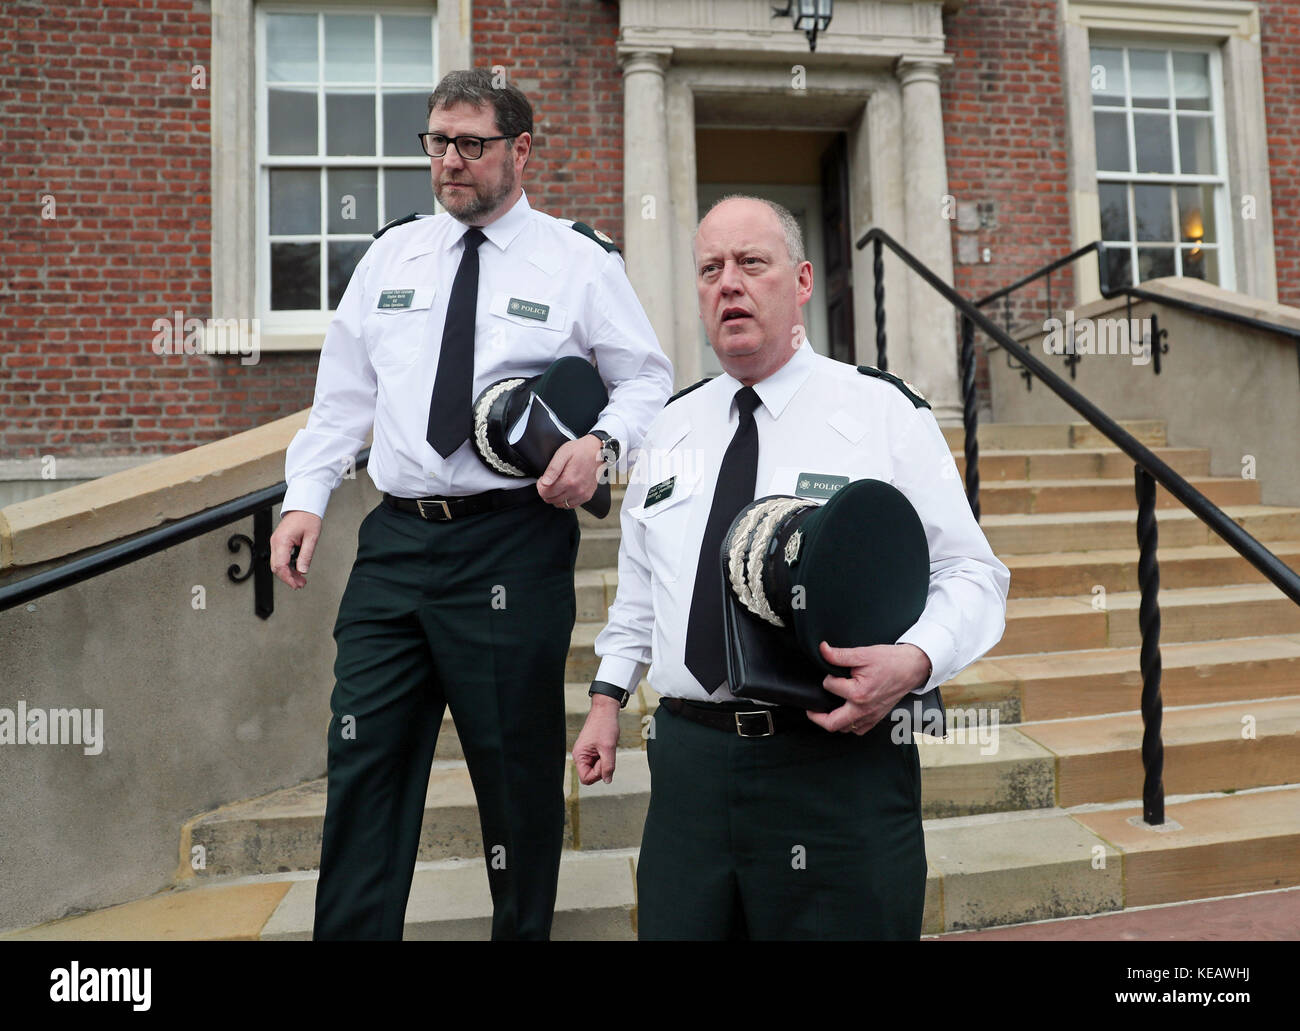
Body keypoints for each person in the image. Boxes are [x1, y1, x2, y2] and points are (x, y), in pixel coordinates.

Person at [270, 68, 673, 941]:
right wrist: (307, 496)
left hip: (512, 545)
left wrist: (599, 448)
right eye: (436, 142)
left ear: (520, 150)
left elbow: (645, 381)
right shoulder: (393, 254)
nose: (448, 161)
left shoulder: (578, 261)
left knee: (513, 774)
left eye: (470, 144)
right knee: (364, 758)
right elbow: (343, 396)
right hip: (395, 543)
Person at [573, 195, 1009, 940]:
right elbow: (644, 588)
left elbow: (973, 574)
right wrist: (609, 696)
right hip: (692, 774)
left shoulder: (881, 412)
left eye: (752, 263)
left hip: (835, 767)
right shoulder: (670, 426)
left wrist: (914, 660)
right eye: (710, 268)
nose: (728, 283)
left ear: (802, 281)